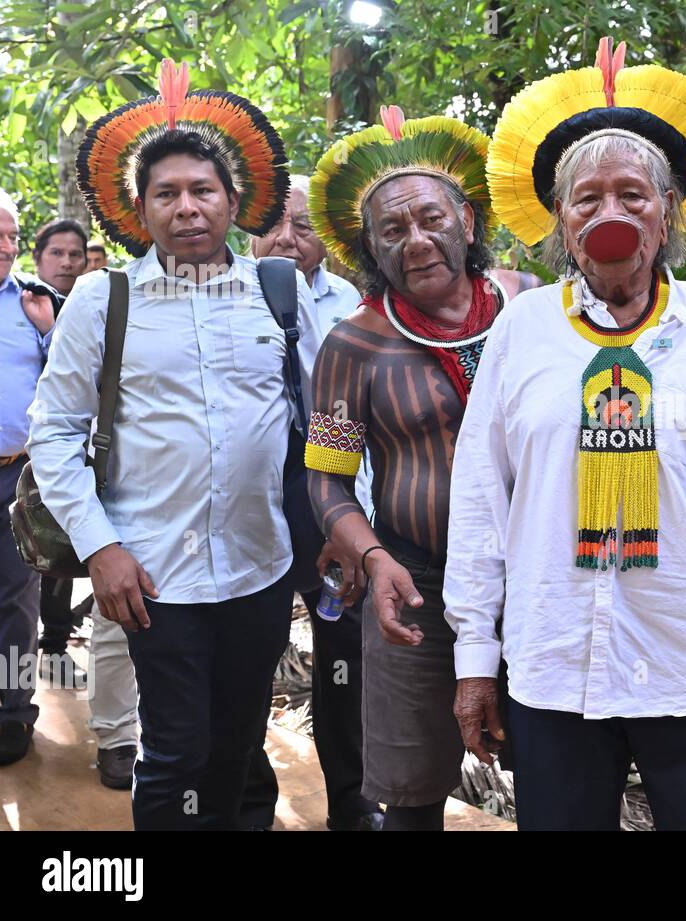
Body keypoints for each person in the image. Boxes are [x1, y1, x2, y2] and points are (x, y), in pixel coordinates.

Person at [446, 38, 686, 831]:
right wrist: (476, 660)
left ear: (670, 209)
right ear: (558, 222)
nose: (610, 213)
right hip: (553, 671)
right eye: (587, 198)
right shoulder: (523, 329)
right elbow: (481, 502)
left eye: (632, 194)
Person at [29, 59, 307, 828]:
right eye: (167, 194)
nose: (187, 208)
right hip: (154, 576)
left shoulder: (274, 291)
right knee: (178, 752)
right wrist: (99, 547)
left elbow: (326, 416)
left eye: (201, 190)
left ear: (231, 200)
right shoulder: (102, 299)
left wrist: (345, 528)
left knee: (238, 743)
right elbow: (52, 432)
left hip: (262, 569)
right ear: (142, 210)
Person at [304, 105, 538, 831]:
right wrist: (372, 559)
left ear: (467, 220)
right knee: (408, 796)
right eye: (392, 230)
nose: (416, 240)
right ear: (369, 249)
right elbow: (326, 478)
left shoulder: (531, 304)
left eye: (431, 219)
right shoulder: (354, 343)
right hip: (415, 585)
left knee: (559, 769)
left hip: (541, 583)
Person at [242, 173, 382, 831]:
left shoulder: (351, 301)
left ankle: (352, 799)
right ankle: (248, 795)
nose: (287, 239)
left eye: (303, 225)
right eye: (274, 223)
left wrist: (348, 505)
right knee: (245, 647)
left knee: (342, 647)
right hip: (245, 504)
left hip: (321, 496)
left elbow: (339, 408)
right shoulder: (229, 293)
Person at [0, 187, 56, 767]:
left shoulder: (36, 301)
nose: (8, 247)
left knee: (16, 601)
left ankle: (15, 716)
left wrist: (49, 328)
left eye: (13, 235)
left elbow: (72, 378)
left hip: (14, 478)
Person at [31, 218, 91, 693]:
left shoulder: (93, 305)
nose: (67, 262)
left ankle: (53, 646)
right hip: (24, 451)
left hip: (76, 456)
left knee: (58, 553)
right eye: (57, 253)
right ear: (38, 258)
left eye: (76, 253)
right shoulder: (23, 300)